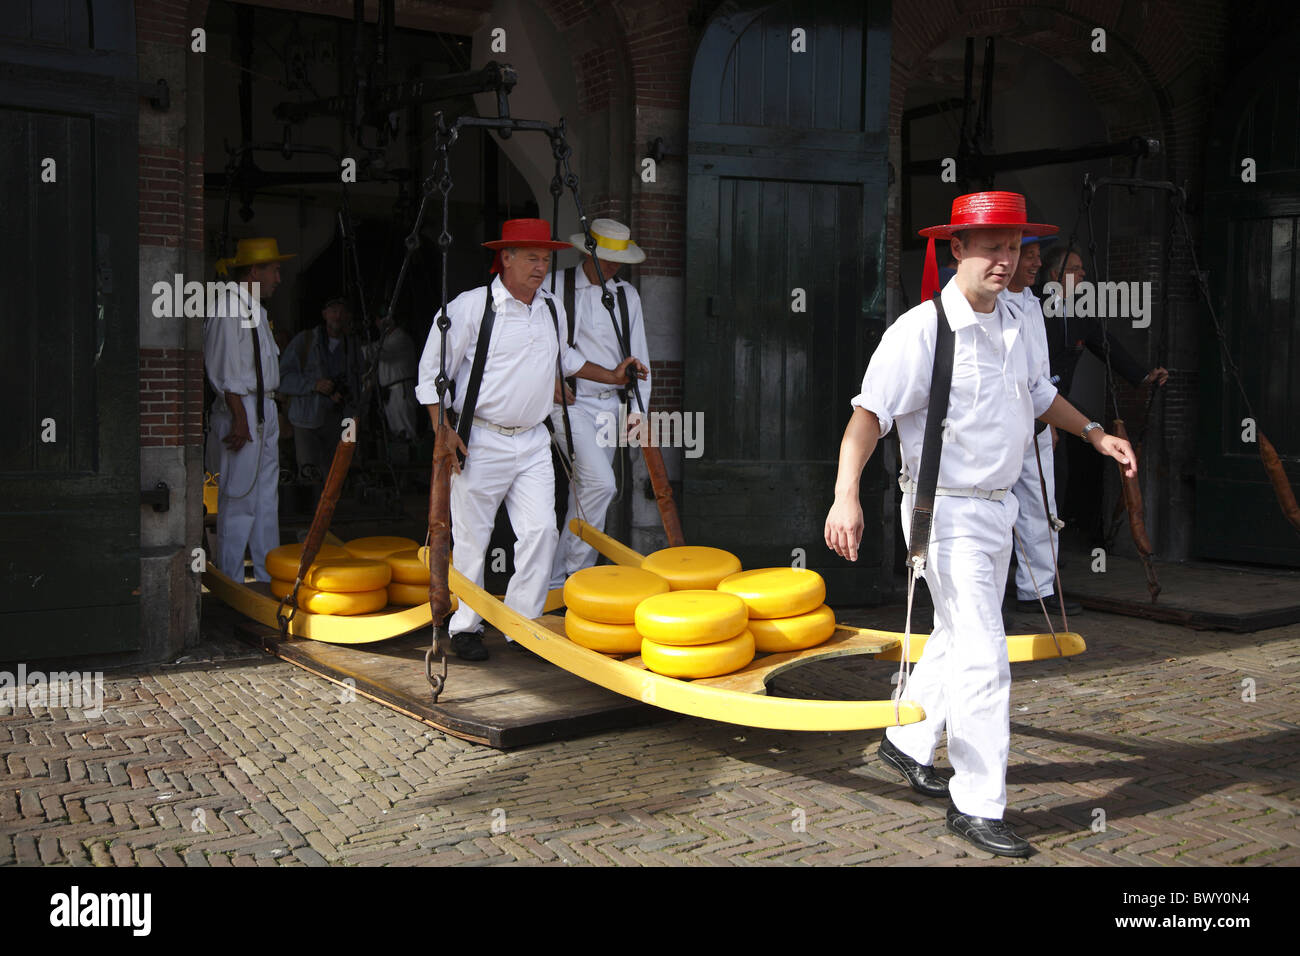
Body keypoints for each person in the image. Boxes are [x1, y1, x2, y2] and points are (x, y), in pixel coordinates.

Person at [824, 192, 1137, 857]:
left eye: (1014, 245)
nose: (1004, 259)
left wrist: (1094, 434)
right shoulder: (918, 331)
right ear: (957, 249)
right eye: (990, 246)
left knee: (955, 635)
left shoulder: (1019, 322)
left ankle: (904, 742)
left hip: (1000, 507)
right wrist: (845, 495)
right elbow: (867, 417)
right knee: (985, 654)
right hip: (945, 512)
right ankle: (978, 802)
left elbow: (1039, 395)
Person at [415, 218, 649, 662]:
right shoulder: (470, 307)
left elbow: (568, 359)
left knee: (540, 531)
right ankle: (466, 626)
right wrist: (441, 430)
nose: (541, 267)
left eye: (545, 258)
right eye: (531, 257)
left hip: (533, 442)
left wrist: (612, 375)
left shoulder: (550, 308)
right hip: (480, 439)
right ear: (505, 258)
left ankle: (520, 624)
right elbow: (431, 376)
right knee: (473, 537)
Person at [549, 219, 652, 587]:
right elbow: (538, 345)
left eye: (617, 260)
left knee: (588, 492)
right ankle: (572, 577)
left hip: (611, 408)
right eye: (605, 257)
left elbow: (640, 359)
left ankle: (558, 579)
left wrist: (639, 411)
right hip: (569, 404)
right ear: (586, 252)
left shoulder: (629, 296)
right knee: (602, 485)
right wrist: (549, 385)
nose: (612, 266)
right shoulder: (553, 286)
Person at [1039, 246, 1168, 541]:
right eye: (1074, 269)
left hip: (1058, 405)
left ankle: (1050, 549)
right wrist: (1046, 420)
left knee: (1060, 475)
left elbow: (1105, 344)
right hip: (1034, 404)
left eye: (1082, 268)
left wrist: (1143, 375)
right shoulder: (1033, 306)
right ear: (1055, 275)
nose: (1083, 274)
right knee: (1044, 478)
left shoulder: (1079, 310)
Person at [1000, 236, 1081, 617]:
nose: (1033, 263)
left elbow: (1040, 378)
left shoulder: (1033, 303)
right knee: (993, 503)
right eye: (1026, 255)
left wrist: (1053, 421)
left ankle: (1038, 590)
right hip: (999, 427)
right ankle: (991, 589)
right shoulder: (990, 303)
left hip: (1037, 423)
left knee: (1042, 506)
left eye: (1034, 256)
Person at [204, 237, 293, 582]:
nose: (278, 278)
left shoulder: (255, 311)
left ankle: (268, 574)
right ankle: (231, 579)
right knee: (239, 499)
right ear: (254, 271)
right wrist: (241, 419)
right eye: (274, 270)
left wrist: (274, 413)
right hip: (243, 410)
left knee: (265, 500)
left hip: (262, 408)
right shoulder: (229, 308)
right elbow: (225, 373)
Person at [279, 297, 363, 505]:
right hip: (307, 418)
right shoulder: (305, 342)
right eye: (333, 310)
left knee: (340, 469)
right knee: (310, 473)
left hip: (341, 418)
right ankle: (309, 520)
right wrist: (314, 385)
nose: (338, 316)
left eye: (342, 311)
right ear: (324, 314)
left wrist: (348, 400)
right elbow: (281, 378)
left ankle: (334, 516)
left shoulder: (352, 346)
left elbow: (359, 382)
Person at [366, 307, 422, 441]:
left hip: (401, 390)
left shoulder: (400, 337)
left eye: (387, 318)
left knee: (406, 430)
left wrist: (358, 346)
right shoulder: (384, 339)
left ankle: (413, 459)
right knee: (395, 432)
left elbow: (380, 353)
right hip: (388, 392)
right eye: (380, 319)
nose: (383, 322)